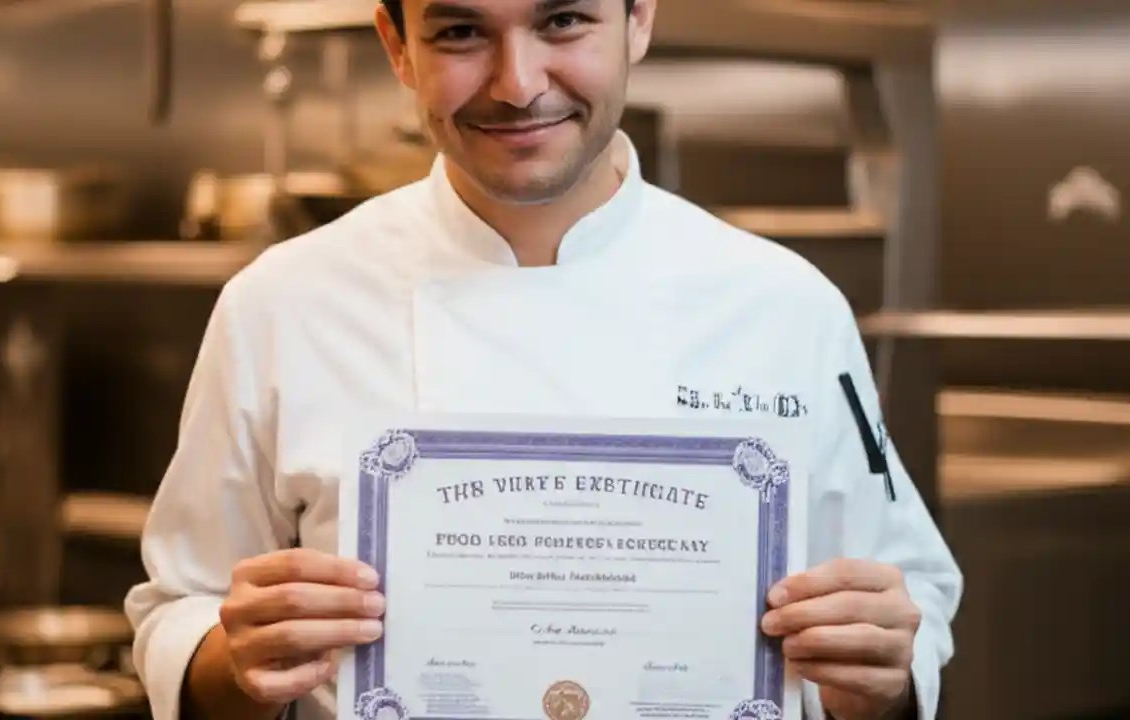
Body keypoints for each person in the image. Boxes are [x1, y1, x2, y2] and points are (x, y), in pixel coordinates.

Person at [124, 0, 963, 717]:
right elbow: (180, 611)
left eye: (562, 20)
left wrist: (881, 676)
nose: (518, 84)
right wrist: (235, 663)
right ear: (397, 46)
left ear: (639, 18)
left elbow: (908, 603)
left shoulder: (788, 309)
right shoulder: (280, 305)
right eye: (460, 32)